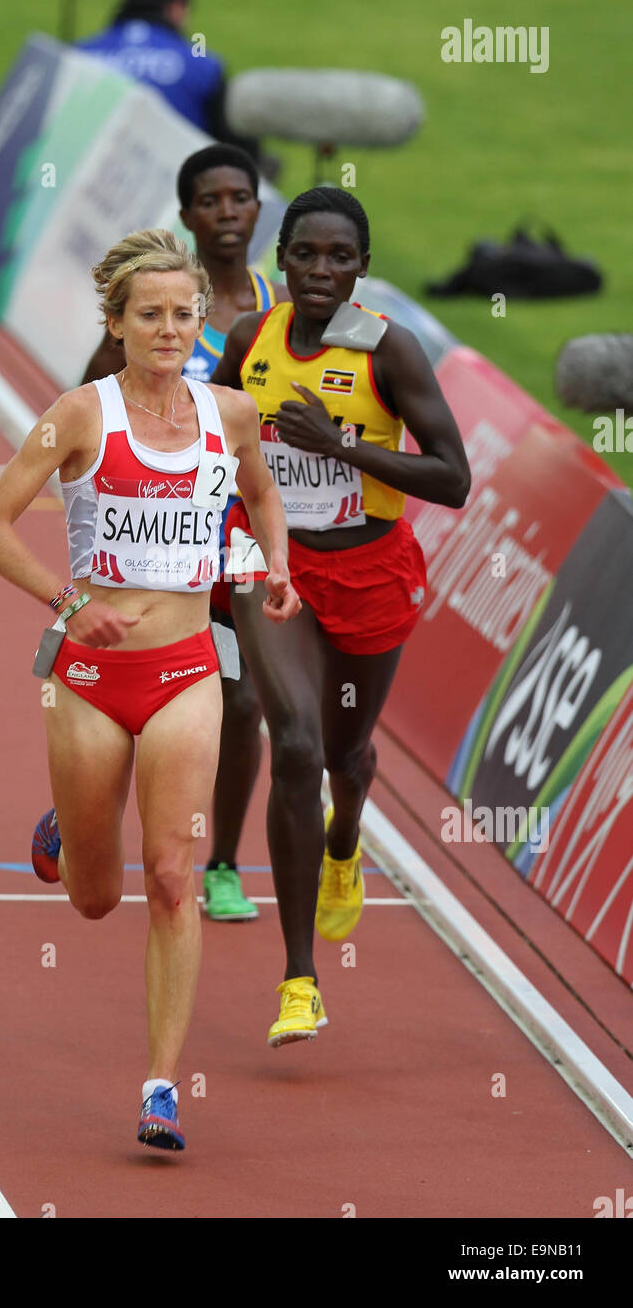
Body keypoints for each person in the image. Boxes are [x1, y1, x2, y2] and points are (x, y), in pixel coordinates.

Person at [0, 229, 300, 1149]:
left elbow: (264, 493)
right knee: (94, 896)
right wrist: (68, 603)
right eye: (147, 315)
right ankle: (67, 837)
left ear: (199, 322)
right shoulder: (79, 415)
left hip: (190, 667)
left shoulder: (230, 414)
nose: (166, 329)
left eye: (181, 315)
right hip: (86, 676)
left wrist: (276, 566)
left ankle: (160, 1084)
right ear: (115, 325)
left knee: (169, 877)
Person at [210, 187, 471, 1046]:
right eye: (306, 255)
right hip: (268, 555)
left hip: (368, 565)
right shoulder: (251, 340)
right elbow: (211, 435)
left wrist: (344, 447)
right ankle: (298, 980)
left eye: (340, 258)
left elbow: (453, 478)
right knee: (295, 743)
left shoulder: (389, 351)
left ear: (362, 270)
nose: (321, 271)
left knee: (347, 755)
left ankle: (345, 837)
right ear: (279, 261)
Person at [80, 145, 289, 921]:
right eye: (212, 200)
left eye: (242, 198)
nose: (229, 212)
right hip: (150, 547)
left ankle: (224, 863)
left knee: (239, 706)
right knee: (130, 693)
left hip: (231, 545)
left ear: (258, 211)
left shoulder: (279, 305)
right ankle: (86, 814)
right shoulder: (151, 308)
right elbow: (88, 406)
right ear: (189, 214)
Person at [76, 0, 261, 163]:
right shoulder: (204, 65)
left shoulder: (76, 55)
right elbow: (235, 150)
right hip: (173, 185)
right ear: (177, 8)